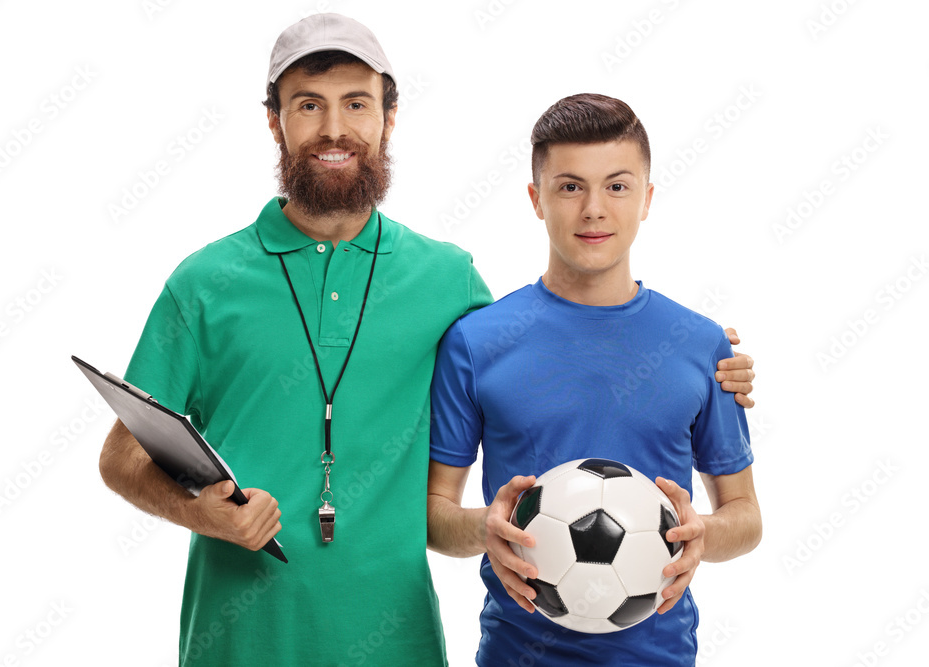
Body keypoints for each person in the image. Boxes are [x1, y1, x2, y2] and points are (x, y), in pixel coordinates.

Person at [97, 14, 756, 666]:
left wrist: (697, 352)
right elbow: (121, 455)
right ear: (274, 120)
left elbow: (542, 349)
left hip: (399, 645)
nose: (334, 128)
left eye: (357, 103)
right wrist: (204, 512)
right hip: (238, 644)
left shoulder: (447, 280)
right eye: (308, 105)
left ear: (388, 117)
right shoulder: (204, 282)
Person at [426, 93, 762, 666]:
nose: (594, 210)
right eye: (570, 186)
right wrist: (488, 528)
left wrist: (701, 533)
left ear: (648, 198)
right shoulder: (477, 342)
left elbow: (745, 516)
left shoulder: (701, 344)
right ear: (536, 198)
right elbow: (434, 515)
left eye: (617, 185)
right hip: (515, 653)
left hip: (659, 655)